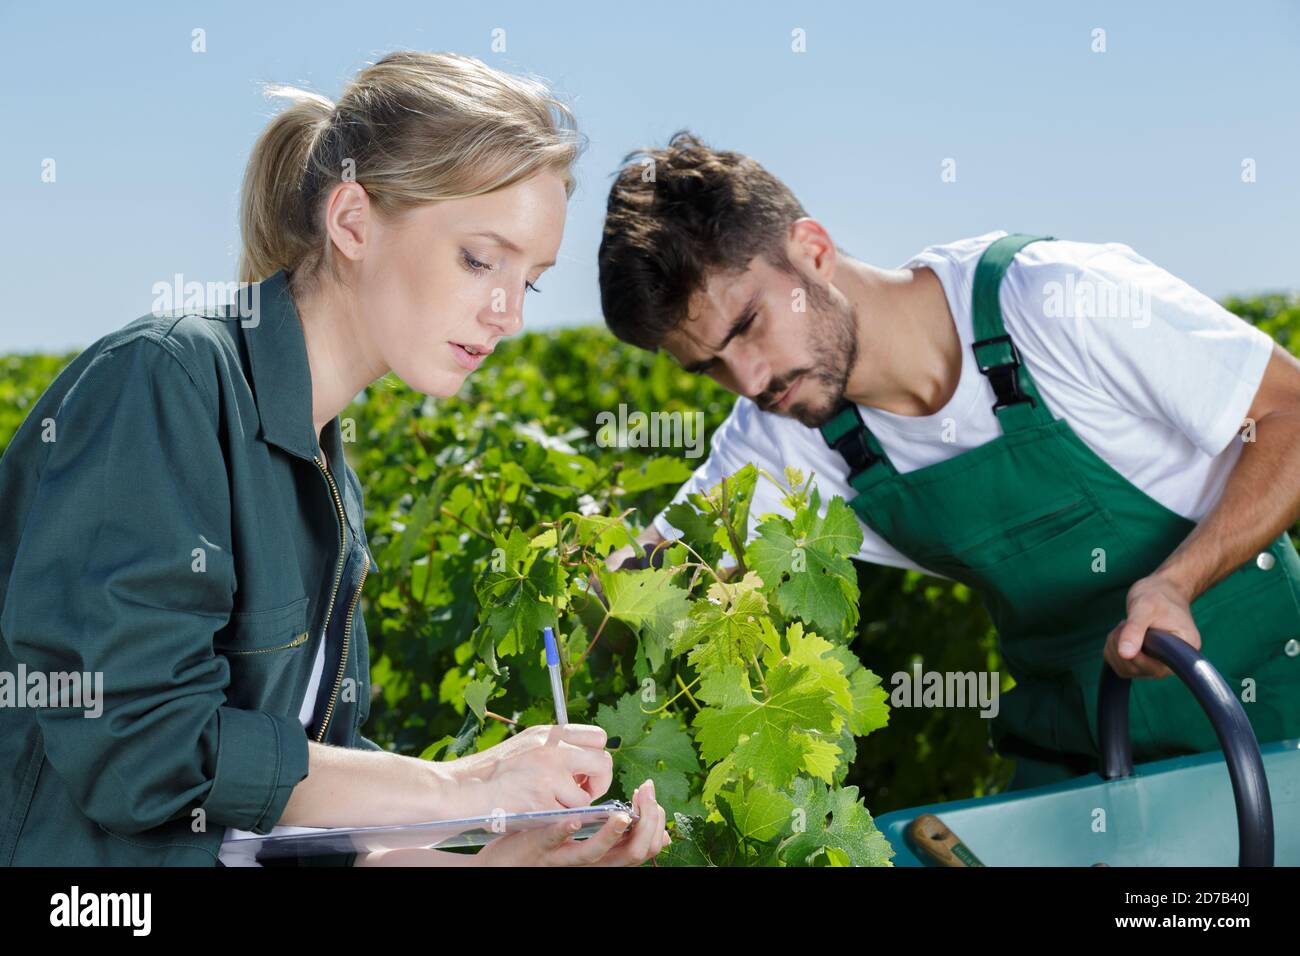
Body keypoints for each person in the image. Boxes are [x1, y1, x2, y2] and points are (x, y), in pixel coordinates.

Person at [0, 51, 669, 867]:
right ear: (352, 222)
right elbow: (144, 750)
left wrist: (499, 859)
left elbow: (285, 836)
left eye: (528, 282)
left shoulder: (332, 485)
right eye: (480, 258)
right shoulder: (170, 382)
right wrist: (466, 785)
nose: (507, 316)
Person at [596, 131, 1300, 791]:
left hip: (1267, 717)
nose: (749, 381)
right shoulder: (782, 434)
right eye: (710, 368)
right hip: (1080, 752)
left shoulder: (1053, 299)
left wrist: (1176, 583)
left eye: (748, 327)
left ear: (811, 249)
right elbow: (650, 579)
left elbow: (1291, 414)